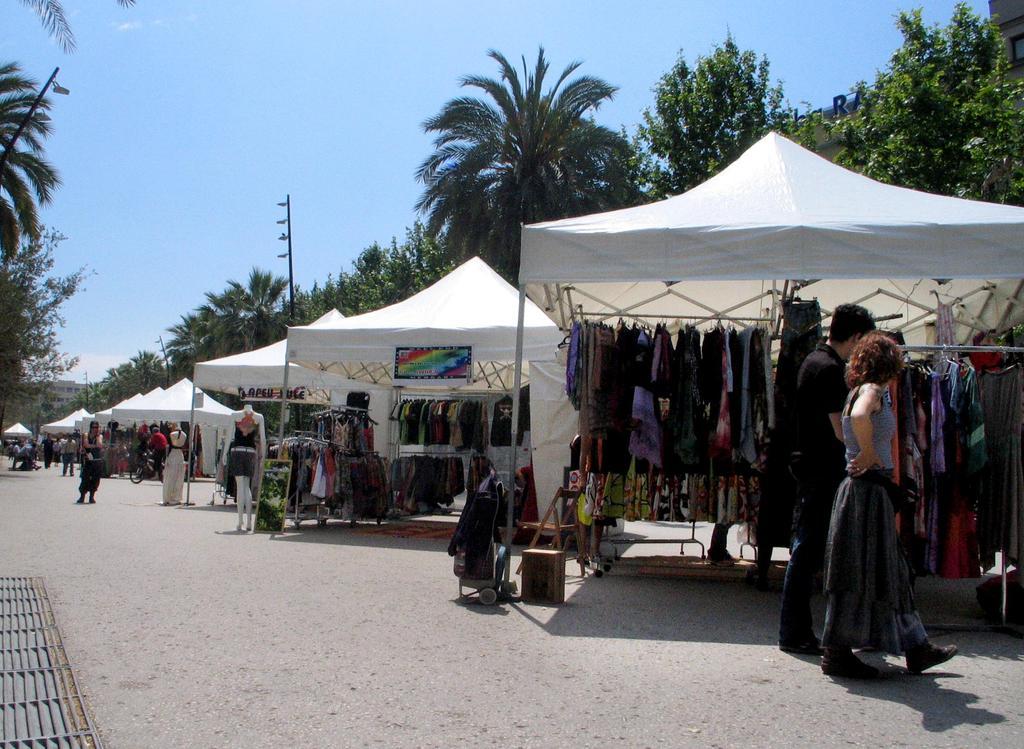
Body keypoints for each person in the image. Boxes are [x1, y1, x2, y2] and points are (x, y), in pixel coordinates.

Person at [821, 331, 957, 677]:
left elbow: (845, 426)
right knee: (874, 571)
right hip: (867, 492)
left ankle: (914, 646)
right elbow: (859, 418)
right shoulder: (871, 391)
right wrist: (867, 453)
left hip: (862, 491)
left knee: (882, 570)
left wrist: (860, 452)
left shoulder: (857, 390)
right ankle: (841, 652)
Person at [779, 303, 876, 654]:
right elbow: (841, 430)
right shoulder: (831, 369)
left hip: (808, 465)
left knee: (806, 550)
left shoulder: (812, 361)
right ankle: (794, 632)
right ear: (854, 337)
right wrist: (865, 452)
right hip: (821, 468)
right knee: (807, 551)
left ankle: (795, 631)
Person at [162, 422, 188, 506]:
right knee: (179, 477)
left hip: (173, 455)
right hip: (180, 455)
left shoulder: (172, 434)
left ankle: (169, 496)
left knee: (170, 477)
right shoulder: (184, 435)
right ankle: (176, 497)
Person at [78, 421, 104, 503]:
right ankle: (82, 496)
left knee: (95, 479)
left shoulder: (99, 436)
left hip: (97, 461)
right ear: (90, 427)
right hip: (88, 460)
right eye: (93, 427)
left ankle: (91, 497)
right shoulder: (86, 434)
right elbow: (85, 444)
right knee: (85, 478)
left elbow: (100, 445)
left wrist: (96, 439)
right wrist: (94, 445)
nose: (95, 429)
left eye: (96, 427)